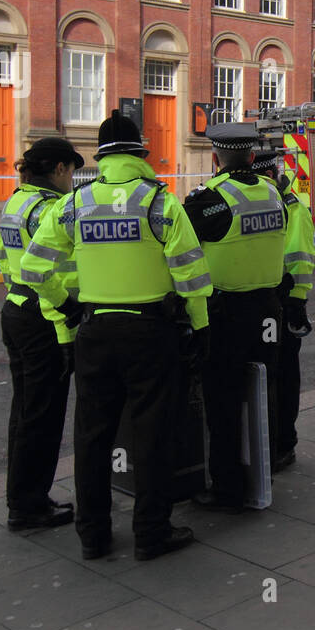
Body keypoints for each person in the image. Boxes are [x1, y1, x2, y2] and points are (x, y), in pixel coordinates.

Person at [21, 110, 211, 562]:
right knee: (152, 435)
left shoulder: (73, 204)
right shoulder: (159, 202)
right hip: (152, 333)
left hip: (95, 332)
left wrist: (68, 307)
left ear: (101, 159)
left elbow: (32, 269)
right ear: (141, 154)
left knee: (91, 437)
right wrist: (200, 328)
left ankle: (93, 536)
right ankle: (151, 533)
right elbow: (192, 276)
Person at [184, 123, 288, 512]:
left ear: (215, 157)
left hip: (225, 313)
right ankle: (267, 466)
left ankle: (228, 487)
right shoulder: (274, 194)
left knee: (223, 399)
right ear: (250, 156)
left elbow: (177, 248)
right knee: (266, 388)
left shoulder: (207, 200)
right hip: (268, 309)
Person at [0, 137, 84, 531]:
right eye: (72, 171)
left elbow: (6, 260)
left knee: (25, 411)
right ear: (61, 169)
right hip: (44, 315)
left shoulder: (16, 201)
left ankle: (22, 496)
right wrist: (67, 309)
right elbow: (46, 272)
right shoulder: (51, 209)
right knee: (43, 415)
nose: (73, 180)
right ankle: (30, 506)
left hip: (15, 309)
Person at [252, 149, 313, 471]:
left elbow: (300, 259)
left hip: (285, 305)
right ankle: (263, 442)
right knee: (264, 376)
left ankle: (283, 445)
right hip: (262, 303)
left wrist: (296, 303)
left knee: (284, 377)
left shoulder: (292, 209)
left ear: (273, 175)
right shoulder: (258, 203)